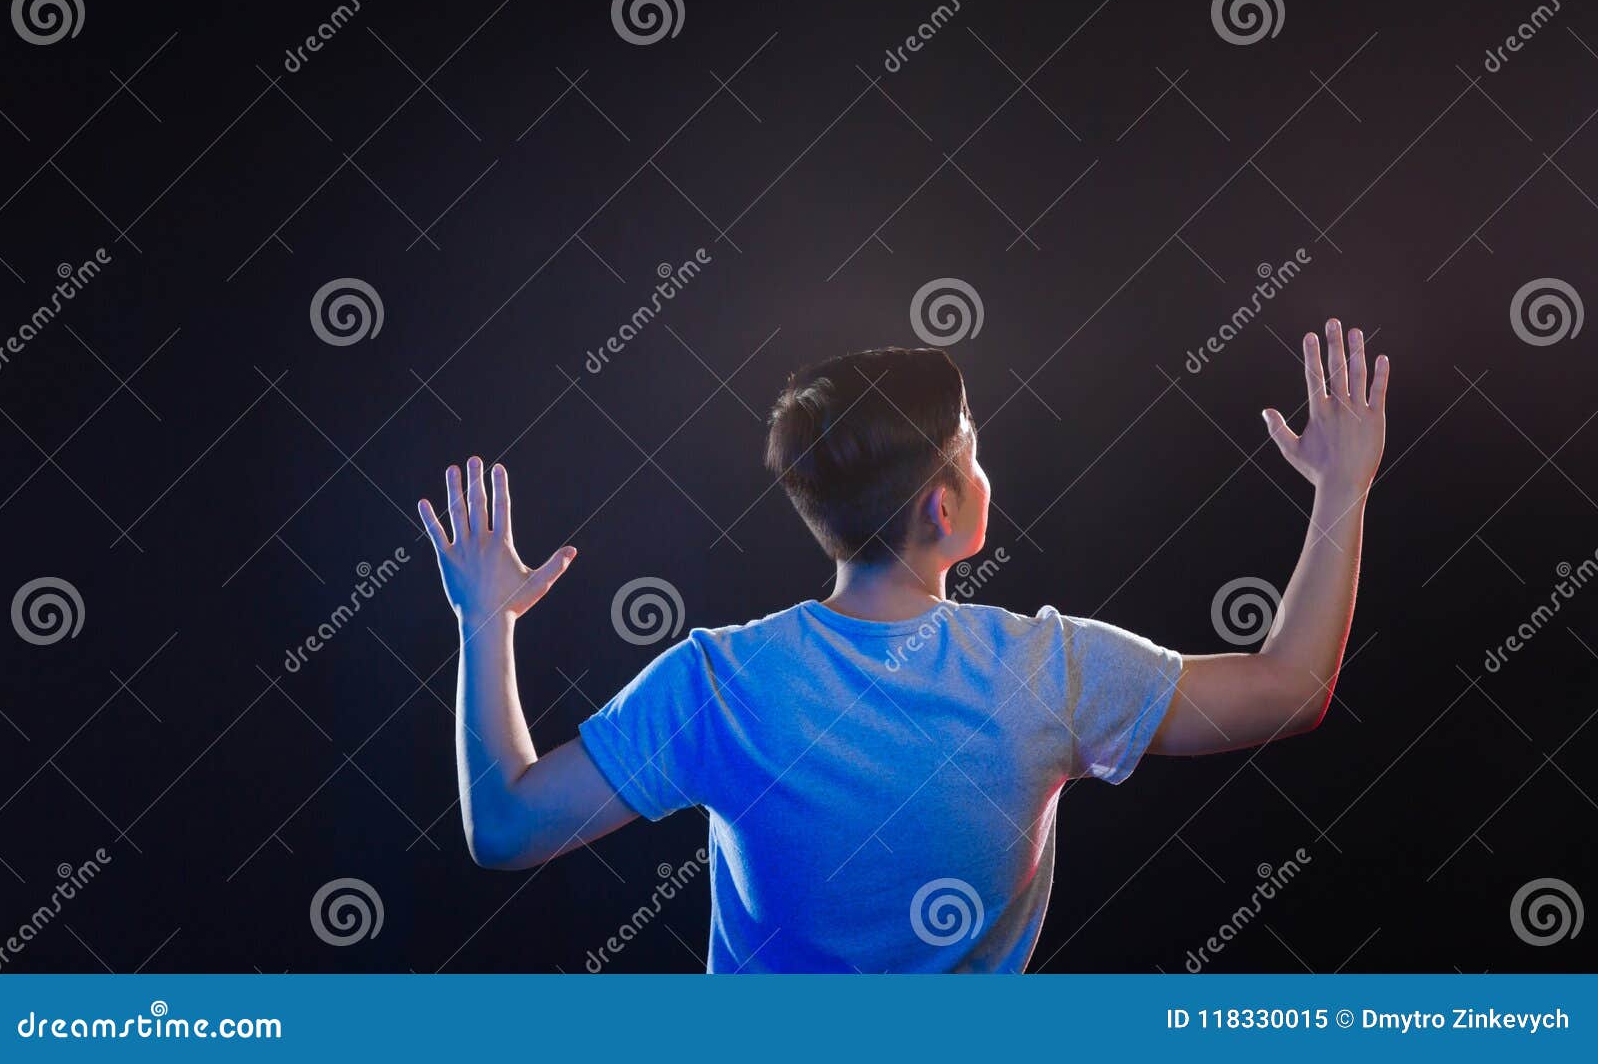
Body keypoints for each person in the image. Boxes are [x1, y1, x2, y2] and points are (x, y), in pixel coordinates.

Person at [417, 319, 1389, 972]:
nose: (980, 464)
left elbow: (503, 827)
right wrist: (1341, 484)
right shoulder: (1046, 673)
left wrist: (485, 621)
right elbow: (1291, 686)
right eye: (969, 448)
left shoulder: (719, 682)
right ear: (944, 504)